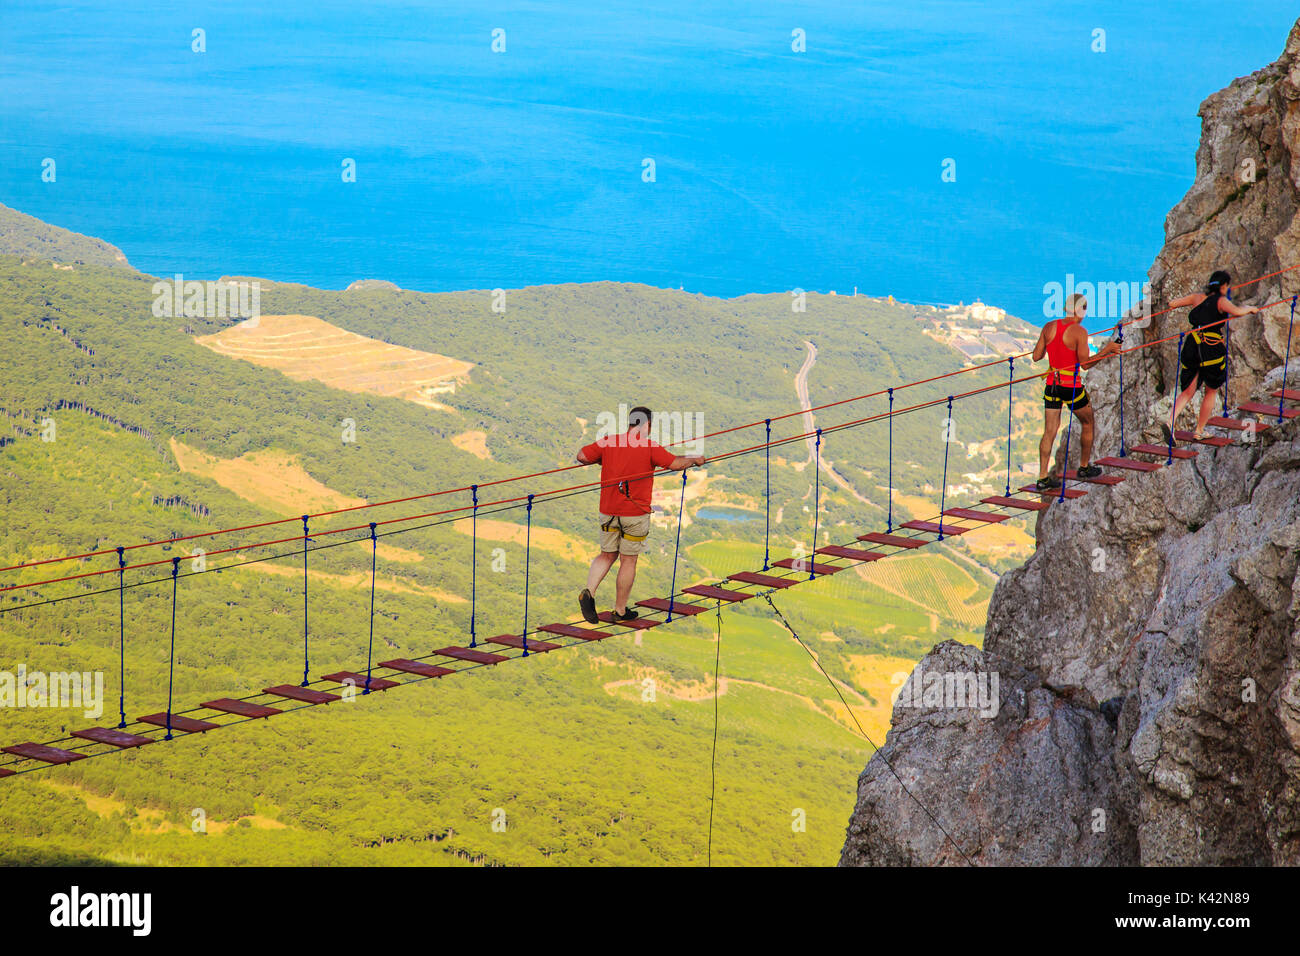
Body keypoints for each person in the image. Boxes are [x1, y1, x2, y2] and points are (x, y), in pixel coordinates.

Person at [575, 406, 705, 624]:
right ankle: (620, 611)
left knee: (607, 554)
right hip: (634, 514)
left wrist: (602, 459)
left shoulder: (609, 441)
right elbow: (675, 464)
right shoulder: (649, 447)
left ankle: (589, 590)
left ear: (630, 423)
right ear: (648, 425)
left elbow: (581, 456)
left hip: (607, 511)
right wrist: (694, 458)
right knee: (628, 560)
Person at [1031, 293, 1121, 490]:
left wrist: (1052, 348)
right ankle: (1084, 467)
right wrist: (1108, 349)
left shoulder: (1048, 327)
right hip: (1070, 387)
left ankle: (1042, 477)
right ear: (1080, 310)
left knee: (1049, 432)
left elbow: (1036, 356)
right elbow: (1086, 365)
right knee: (1088, 422)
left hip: (1051, 385)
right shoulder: (1079, 332)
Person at [1163, 270, 1260, 441]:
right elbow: (1237, 312)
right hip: (1210, 348)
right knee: (1211, 390)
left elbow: (1171, 304)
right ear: (1224, 286)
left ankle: (1170, 420)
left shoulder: (1197, 298)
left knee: (1188, 391)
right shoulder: (1221, 301)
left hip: (1193, 345)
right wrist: (1250, 309)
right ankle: (1199, 430)